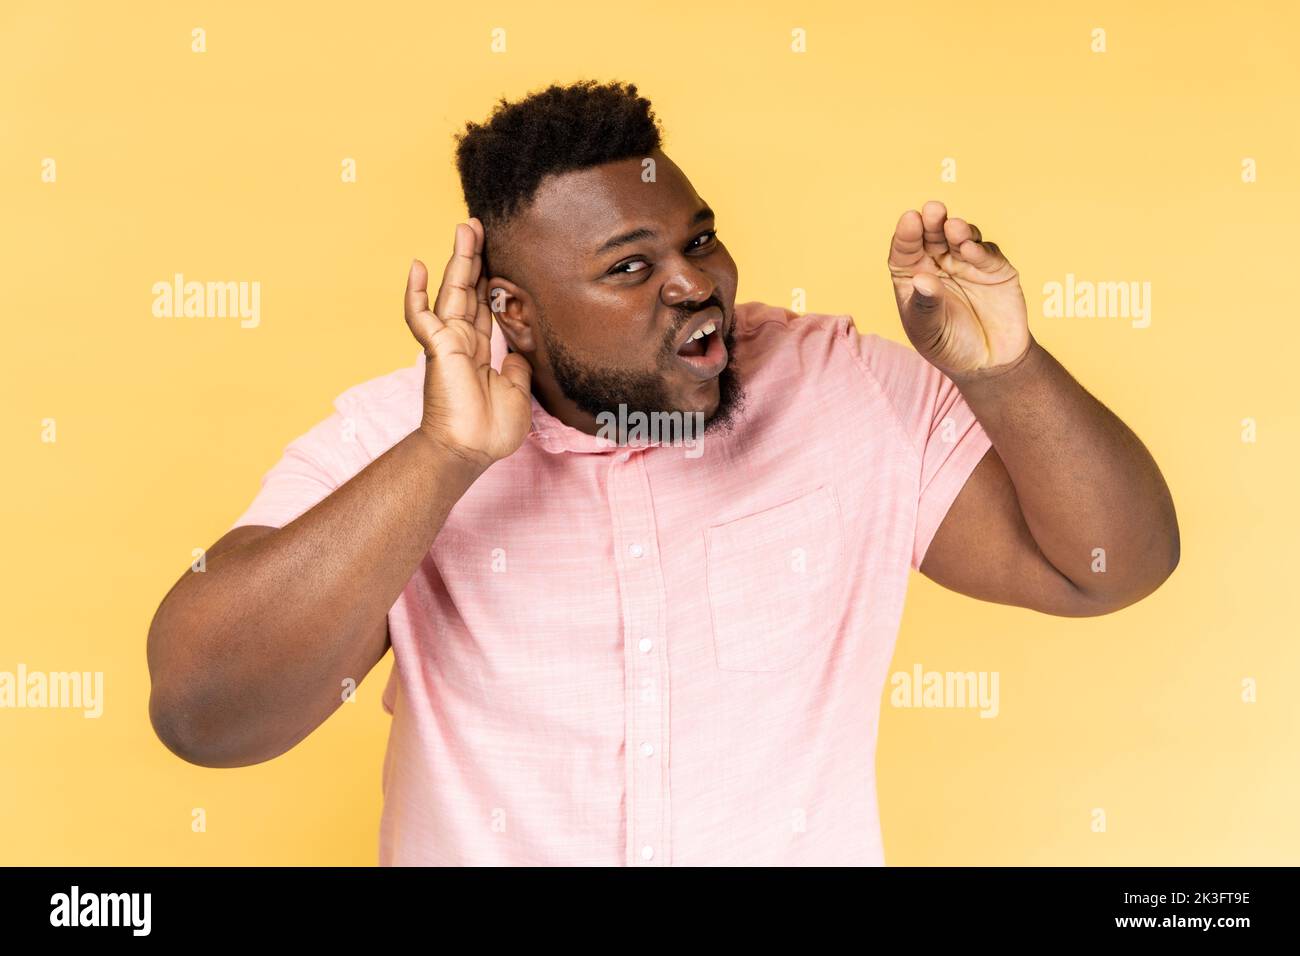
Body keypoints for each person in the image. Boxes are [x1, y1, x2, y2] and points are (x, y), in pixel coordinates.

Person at [146, 80, 1179, 865]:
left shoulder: (843, 389)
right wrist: (442, 458)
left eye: (700, 240)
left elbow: (1108, 566)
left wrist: (1005, 372)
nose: (697, 284)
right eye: (630, 266)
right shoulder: (401, 433)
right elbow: (206, 717)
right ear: (512, 312)